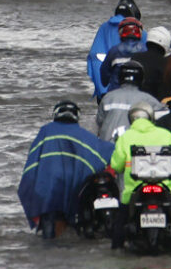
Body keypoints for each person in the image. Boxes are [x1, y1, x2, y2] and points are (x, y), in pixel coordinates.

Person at [18, 102, 115, 238]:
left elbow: (33, 161)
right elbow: (105, 151)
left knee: (49, 238)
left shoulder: (46, 130)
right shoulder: (82, 134)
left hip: (49, 187)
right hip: (73, 185)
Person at [108, 106, 171, 249]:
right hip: (164, 191)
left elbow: (116, 165)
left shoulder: (125, 138)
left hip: (133, 192)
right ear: (151, 118)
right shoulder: (166, 135)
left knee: (119, 231)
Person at [89, 0, 142, 95]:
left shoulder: (104, 29)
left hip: (110, 94)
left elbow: (95, 61)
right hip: (137, 95)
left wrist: (102, 91)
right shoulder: (142, 38)